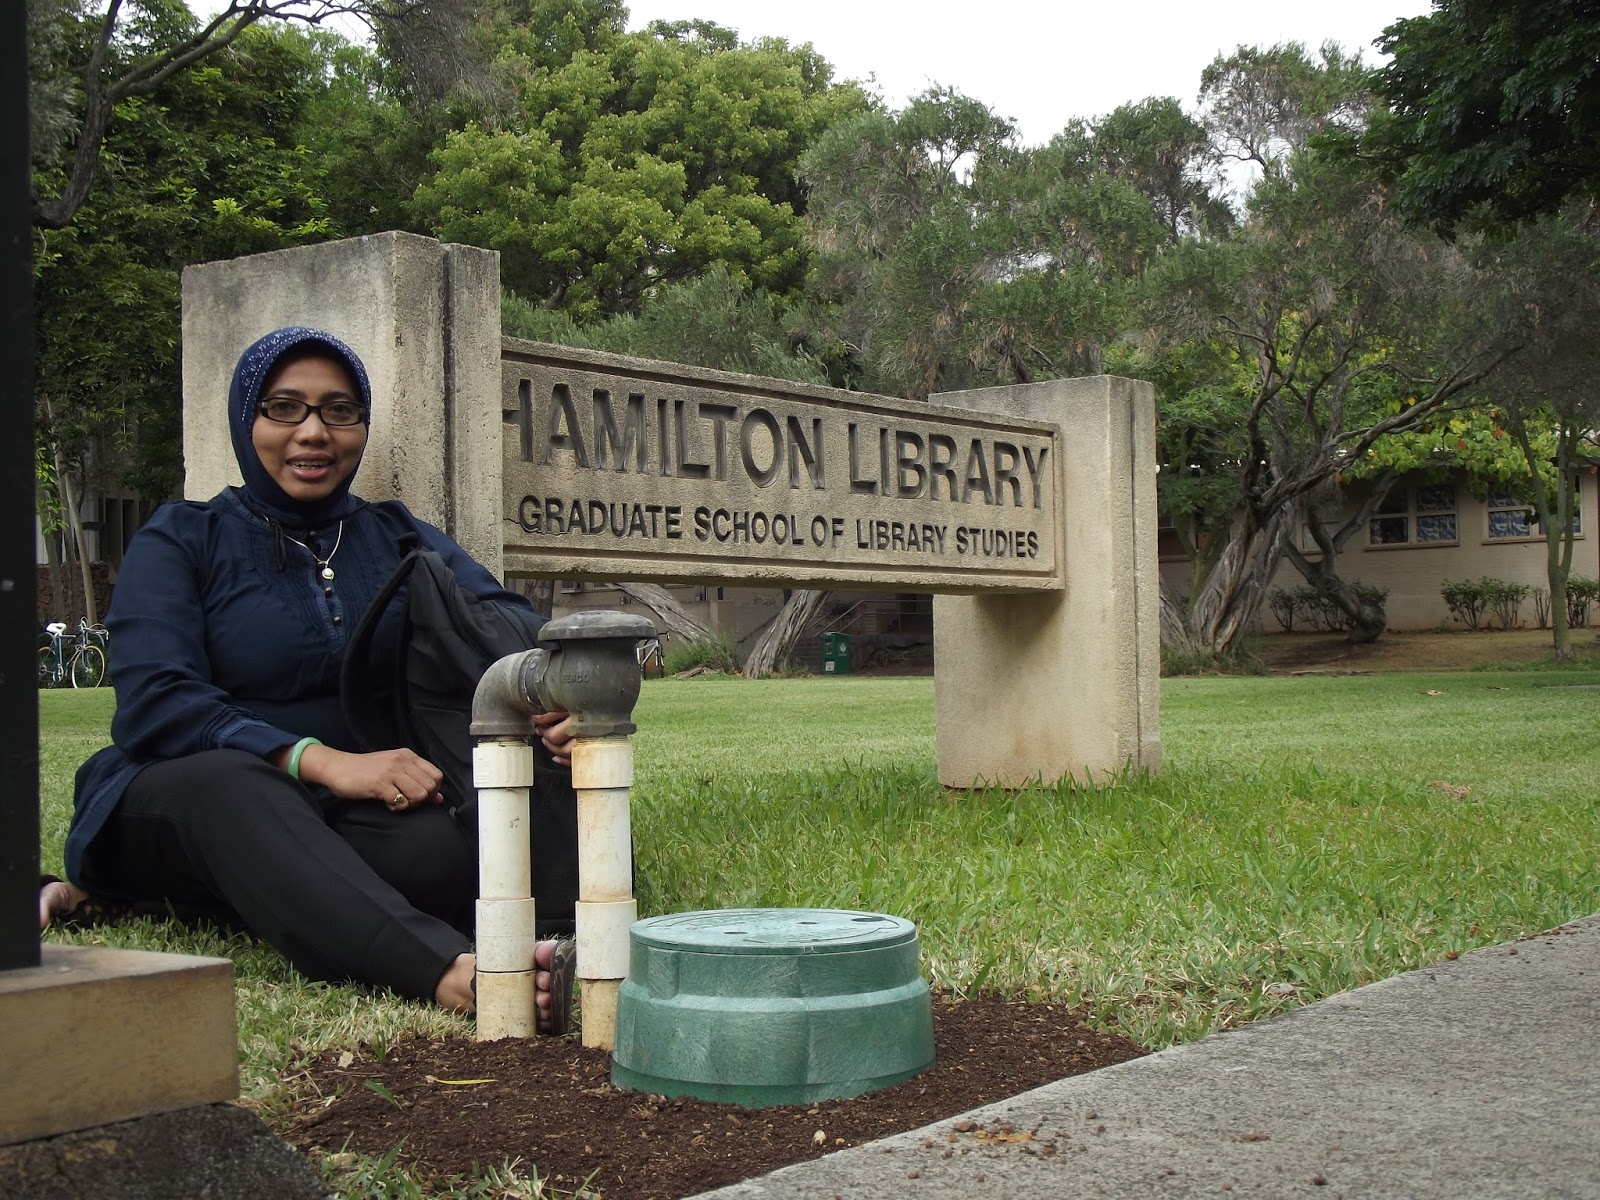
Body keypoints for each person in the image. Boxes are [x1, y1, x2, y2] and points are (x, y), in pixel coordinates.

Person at [45, 326, 572, 1027]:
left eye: (339, 410)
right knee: (234, 782)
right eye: (285, 408)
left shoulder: (395, 536)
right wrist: (319, 762)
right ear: (247, 418)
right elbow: (155, 704)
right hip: (182, 795)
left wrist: (550, 691)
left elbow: (507, 621)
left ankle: (216, 904)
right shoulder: (182, 538)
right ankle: (452, 975)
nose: (314, 433)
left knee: (436, 857)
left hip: (346, 809)